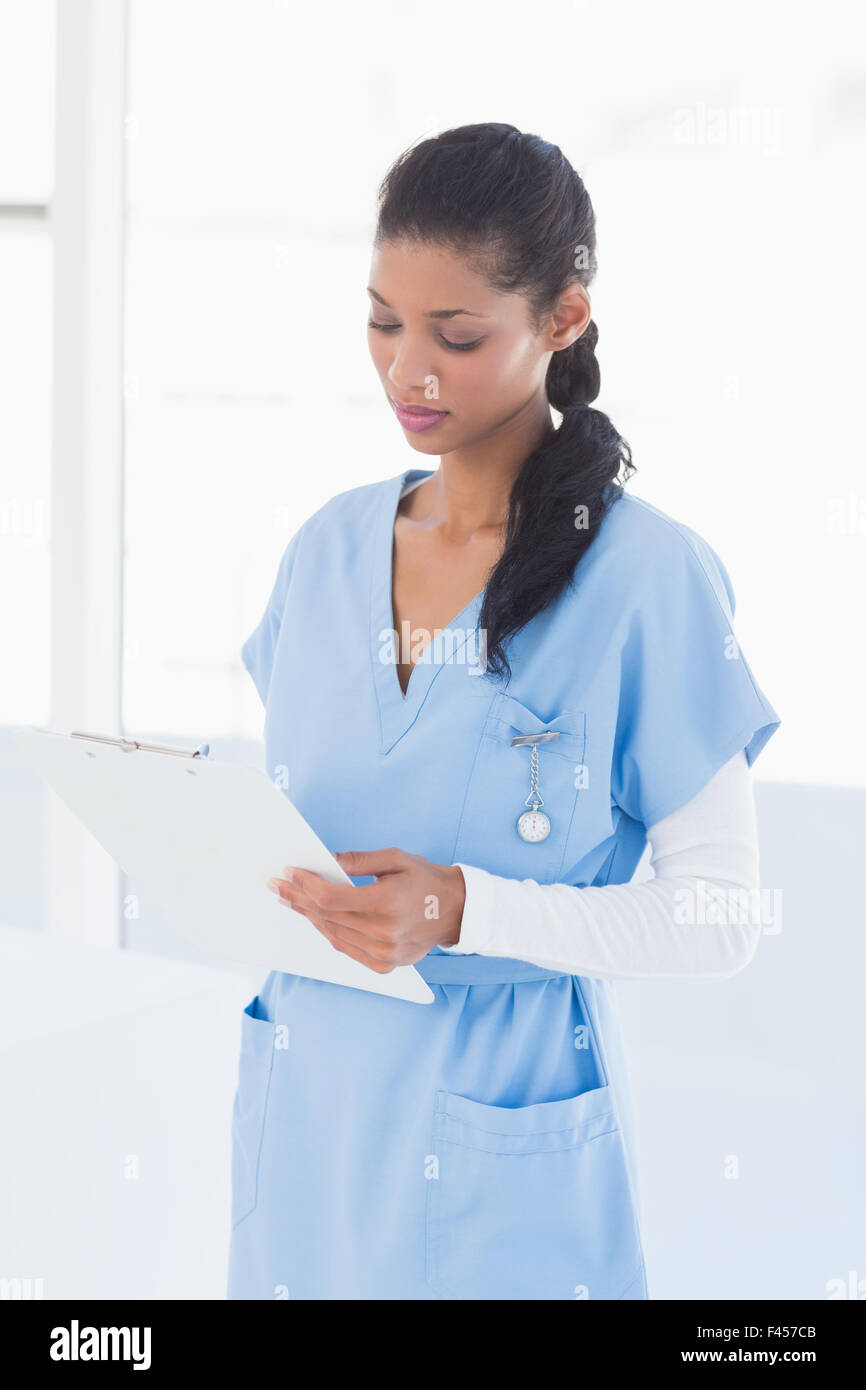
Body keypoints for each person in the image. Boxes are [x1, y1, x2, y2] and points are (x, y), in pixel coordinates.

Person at [227, 123, 780, 1301]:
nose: (404, 374)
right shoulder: (323, 553)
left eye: (456, 336)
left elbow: (719, 916)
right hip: (308, 1126)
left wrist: (467, 908)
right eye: (382, 321)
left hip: (498, 1145)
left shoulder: (646, 579)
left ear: (562, 321)